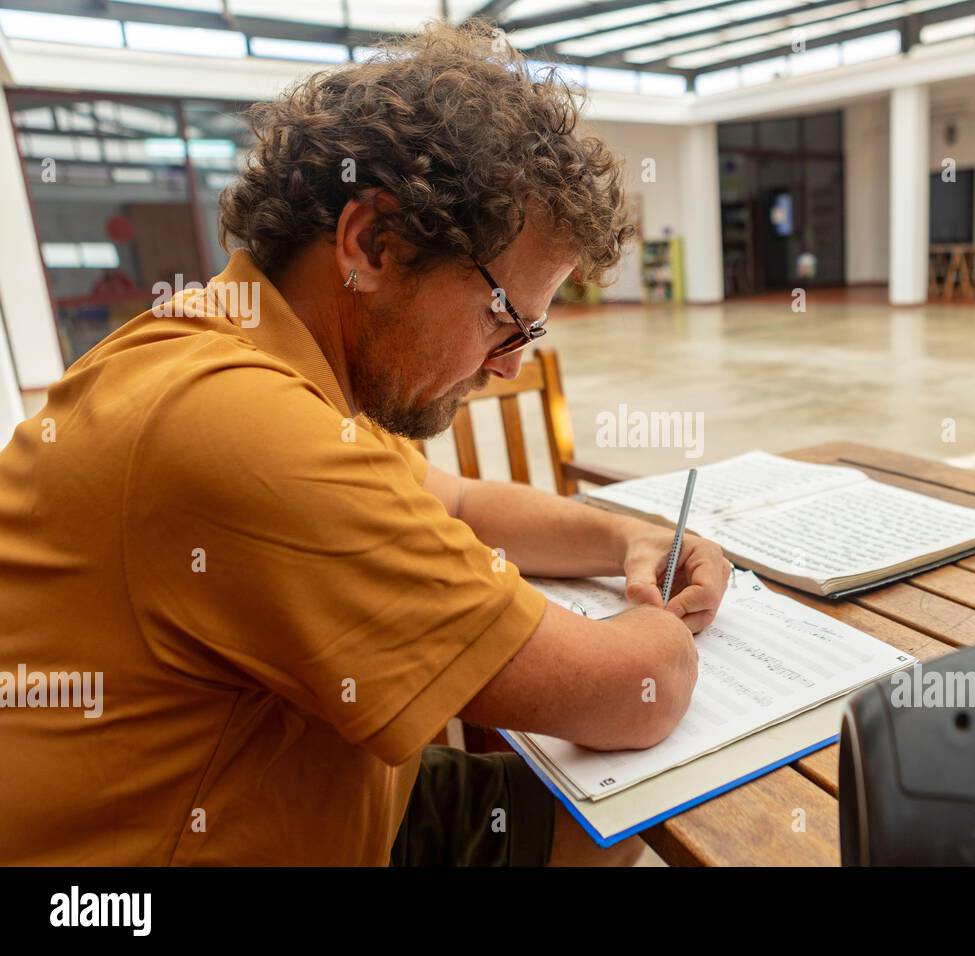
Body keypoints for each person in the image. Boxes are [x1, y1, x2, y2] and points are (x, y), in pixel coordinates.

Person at [0, 20, 728, 867]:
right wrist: (669, 632)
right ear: (372, 244)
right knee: (638, 778)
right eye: (503, 317)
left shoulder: (257, 350)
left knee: (604, 815)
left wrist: (628, 536)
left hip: (308, 792)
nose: (507, 366)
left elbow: (453, 503)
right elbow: (636, 691)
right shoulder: (238, 428)